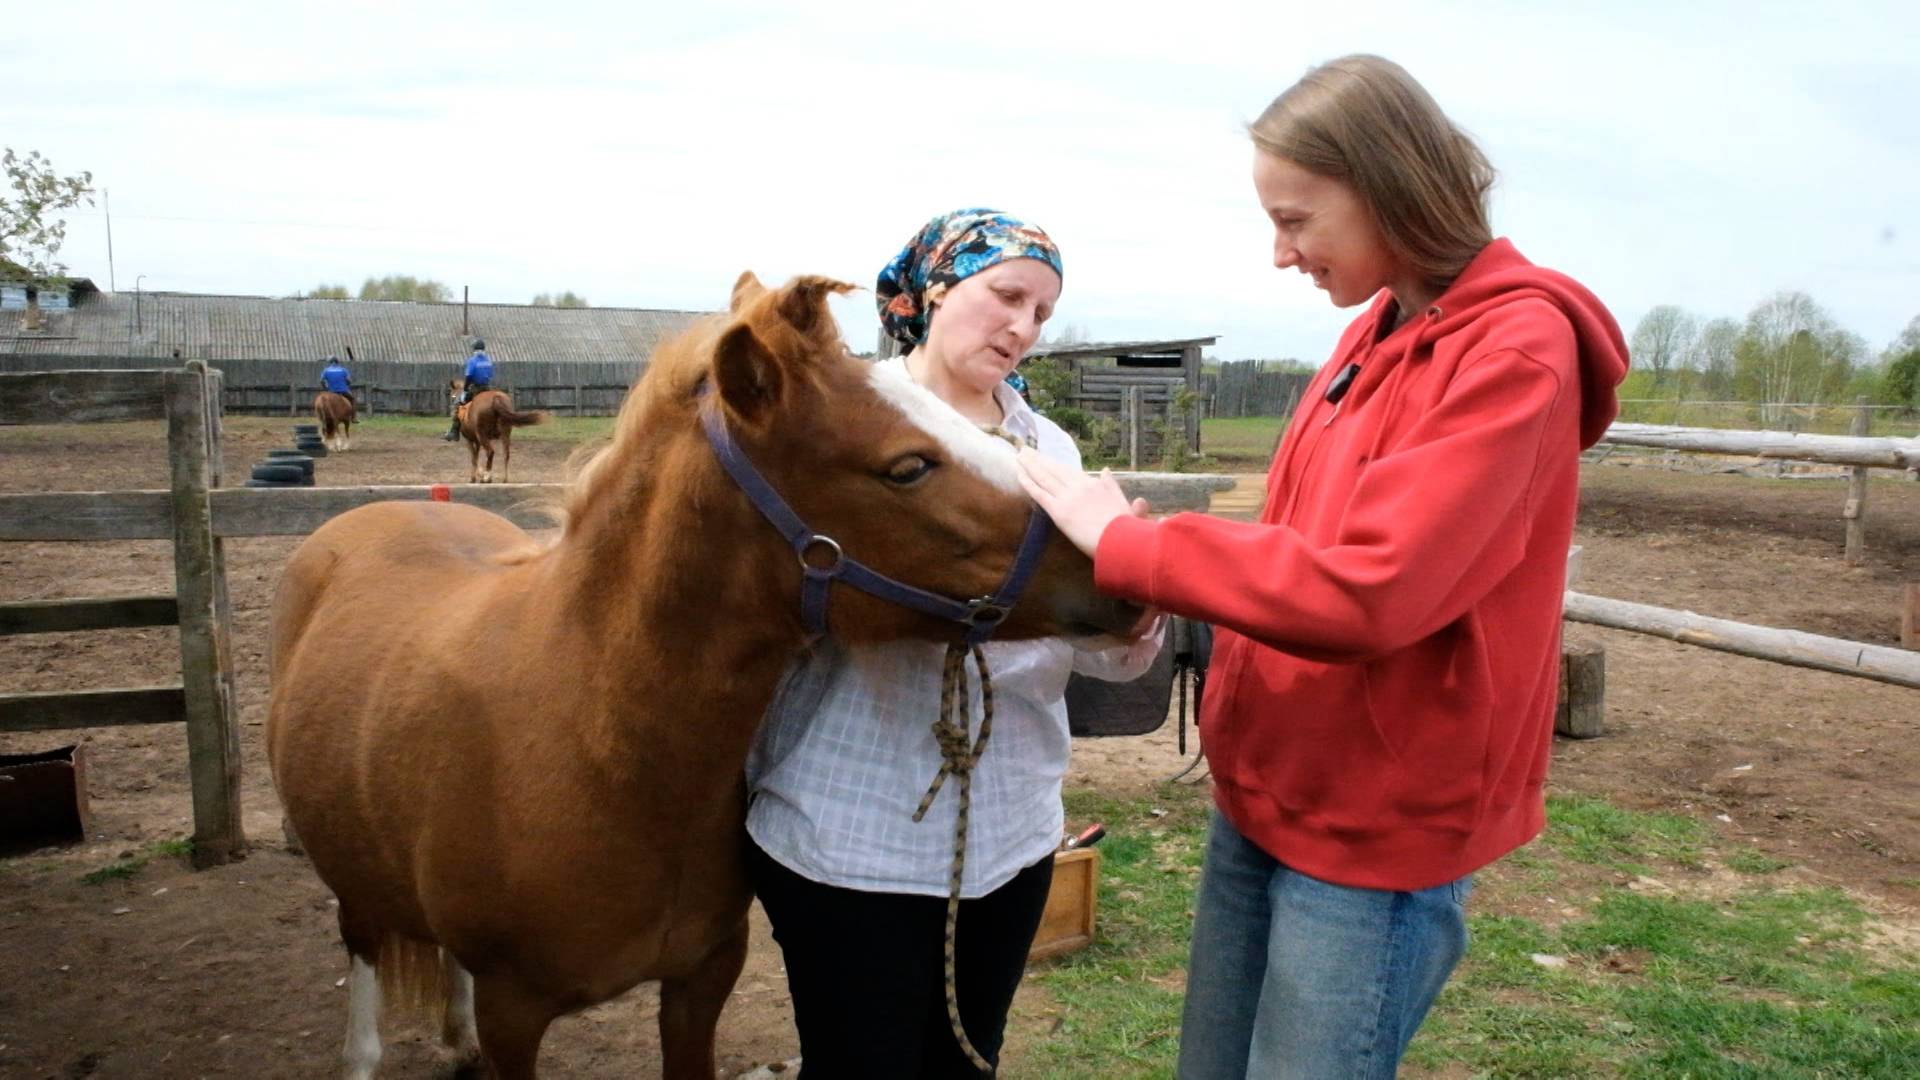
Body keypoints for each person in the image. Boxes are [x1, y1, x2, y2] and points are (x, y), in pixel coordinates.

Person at [1016, 55, 1628, 1079]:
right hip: (1274, 784)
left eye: (1297, 220)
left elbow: (1369, 587)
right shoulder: (1370, 335)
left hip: (1376, 821)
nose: (1280, 253)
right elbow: (1290, 539)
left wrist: (1134, 545)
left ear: (1389, 184)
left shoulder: (1513, 351)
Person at [745, 208, 1163, 1079]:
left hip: (1009, 830)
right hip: (848, 826)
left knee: (971, 1061)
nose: (1023, 326)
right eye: (1006, 295)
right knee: (862, 1064)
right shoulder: (841, 420)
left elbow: (1083, 646)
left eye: (1043, 313)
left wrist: (1130, 612)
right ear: (935, 288)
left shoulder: (1047, 448)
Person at [444, 339, 494, 441]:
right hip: (487, 388)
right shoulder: (488, 361)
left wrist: (466, 390)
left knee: (459, 405)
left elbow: (469, 376)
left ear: (474, 349)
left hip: (476, 388)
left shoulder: (472, 361)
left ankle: (454, 432)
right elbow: (490, 375)